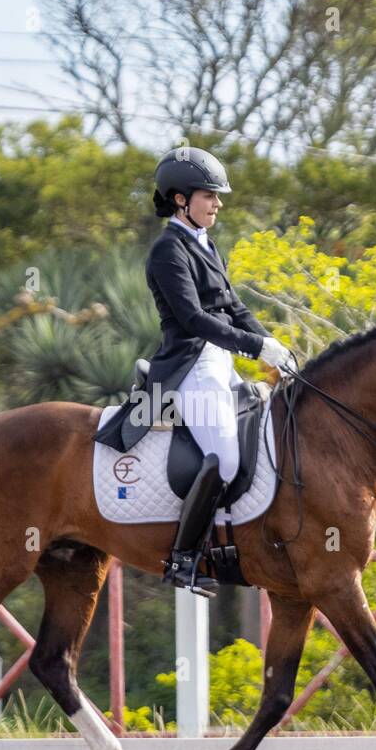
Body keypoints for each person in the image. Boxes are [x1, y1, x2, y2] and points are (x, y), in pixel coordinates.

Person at [140, 147, 293, 595]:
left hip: (220, 361)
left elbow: (233, 307)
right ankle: (183, 560)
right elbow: (193, 319)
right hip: (190, 366)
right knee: (224, 458)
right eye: (210, 195)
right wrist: (254, 345)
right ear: (181, 199)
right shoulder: (168, 250)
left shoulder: (204, 243)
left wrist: (273, 347)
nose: (218, 203)